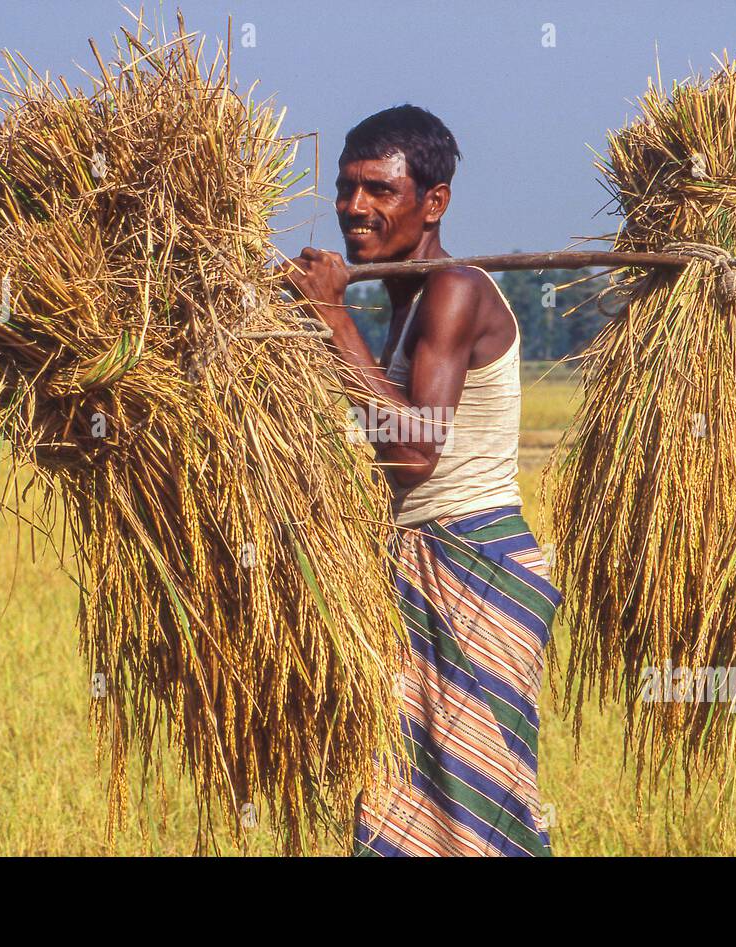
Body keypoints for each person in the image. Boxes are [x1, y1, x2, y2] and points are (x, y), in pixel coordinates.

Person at [283, 105, 560, 856]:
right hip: (417, 562)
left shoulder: (455, 288)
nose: (355, 208)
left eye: (380, 190)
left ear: (433, 202)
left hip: (475, 563)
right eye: (346, 189)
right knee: (401, 800)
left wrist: (333, 317)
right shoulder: (406, 301)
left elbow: (411, 453)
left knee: (479, 802)